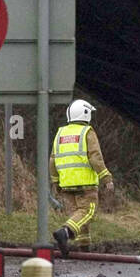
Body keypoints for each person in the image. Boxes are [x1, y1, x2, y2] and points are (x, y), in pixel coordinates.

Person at [49, 99, 113, 256]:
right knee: (87, 212)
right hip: (85, 184)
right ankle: (65, 232)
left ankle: (83, 248)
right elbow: (95, 157)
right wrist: (107, 178)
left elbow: (52, 160)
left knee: (77, 216)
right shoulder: (87, 132)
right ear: (85, 114)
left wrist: (56, 182)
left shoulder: (60, 133)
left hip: (66, 185)